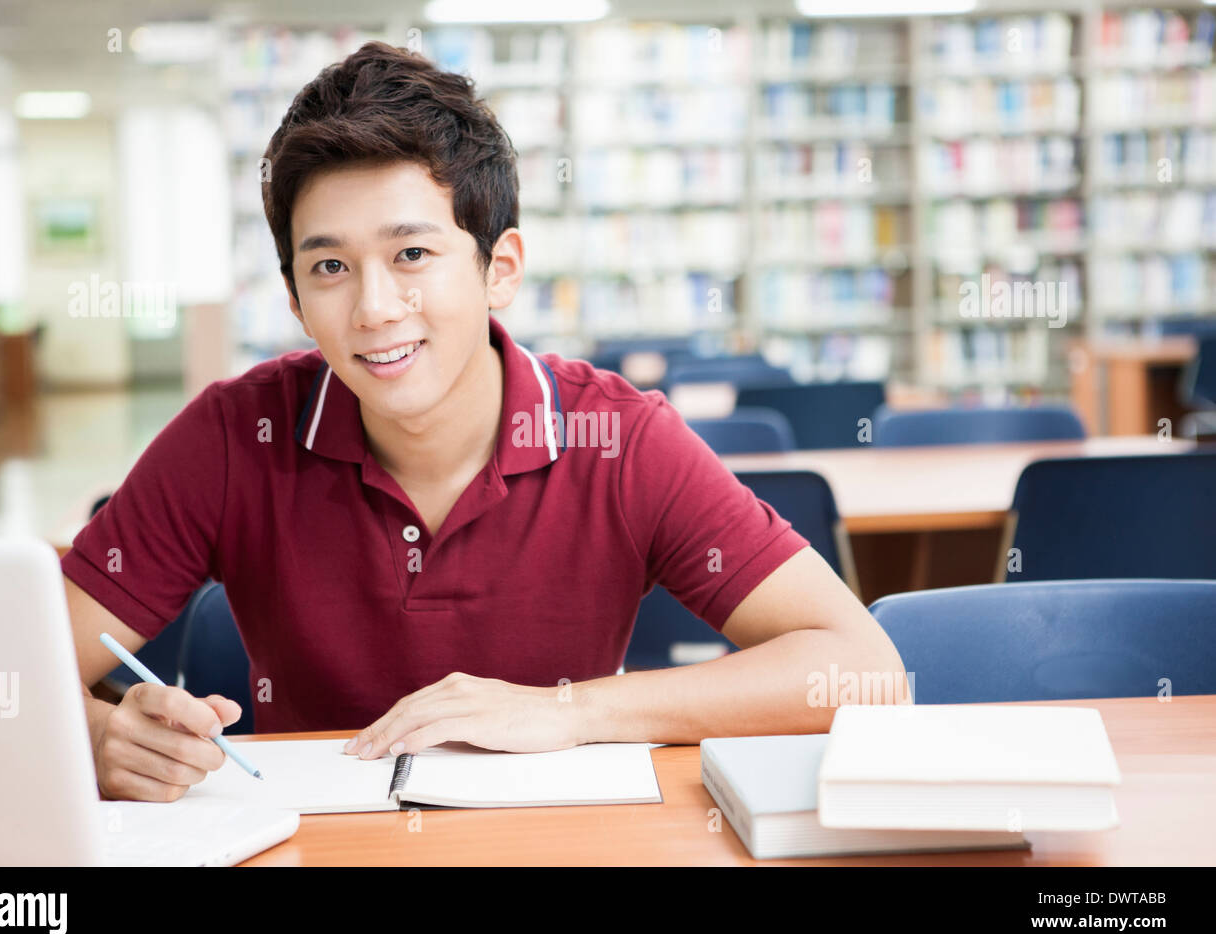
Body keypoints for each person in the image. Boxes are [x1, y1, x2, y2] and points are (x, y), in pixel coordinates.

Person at [66, 41, 909, 802]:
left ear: (499, 268)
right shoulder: (231, 436)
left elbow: (863, 671)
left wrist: (569, 711)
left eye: (412, 254)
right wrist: (101, 737)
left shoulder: (616, 437)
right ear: (293, 300)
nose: (374, 307)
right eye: (330, 266)